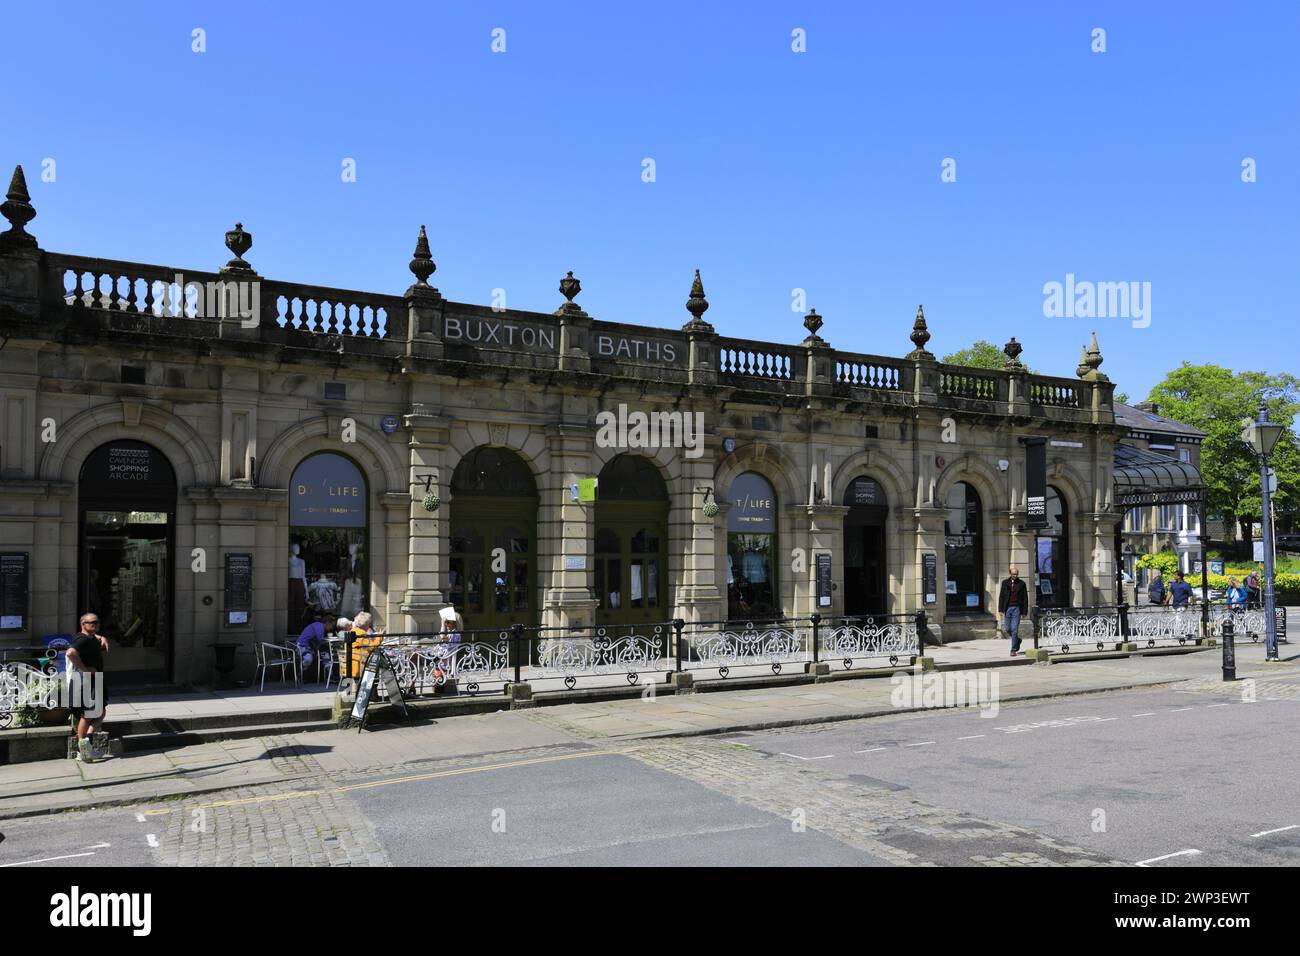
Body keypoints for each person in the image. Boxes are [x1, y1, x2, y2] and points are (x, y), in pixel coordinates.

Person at [66, 613, 110, 763]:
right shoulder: (82, 639)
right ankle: (81, 750)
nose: (96, 625)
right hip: (86, 681)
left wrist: (100, 637)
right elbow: (70, 653)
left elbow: (93, 638)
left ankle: (87, 745)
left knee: (101, 712)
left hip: (93, 680)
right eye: (93, 623)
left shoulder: (90, 637)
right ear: (83, 624)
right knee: (88, 715)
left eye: (98, 623)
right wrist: (85, 669)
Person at [997, 566, 1029, 656]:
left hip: (1017, 608)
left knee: (1014, 629)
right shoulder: (1005, 583)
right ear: (1010, 574)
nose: (1014, 575)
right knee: (1007, 629)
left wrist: (1024, 612)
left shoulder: (1021, 584)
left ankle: (1013, 649)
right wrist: (1000, 609)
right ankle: (1017, 640)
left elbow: (1025, 598)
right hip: (1007, 608)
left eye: (1016, 574)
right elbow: (1001, 596)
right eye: (1013, 574)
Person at [296, 612, 331, 678]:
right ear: (328, 623)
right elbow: (320, 639)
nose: (331, 628)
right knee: (308, 658)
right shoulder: (319, 626)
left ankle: (329, 675)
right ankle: (301, 672)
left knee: (325, 655)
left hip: (310, 647)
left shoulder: (317, 625)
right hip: (302, 646)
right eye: (331, 625)